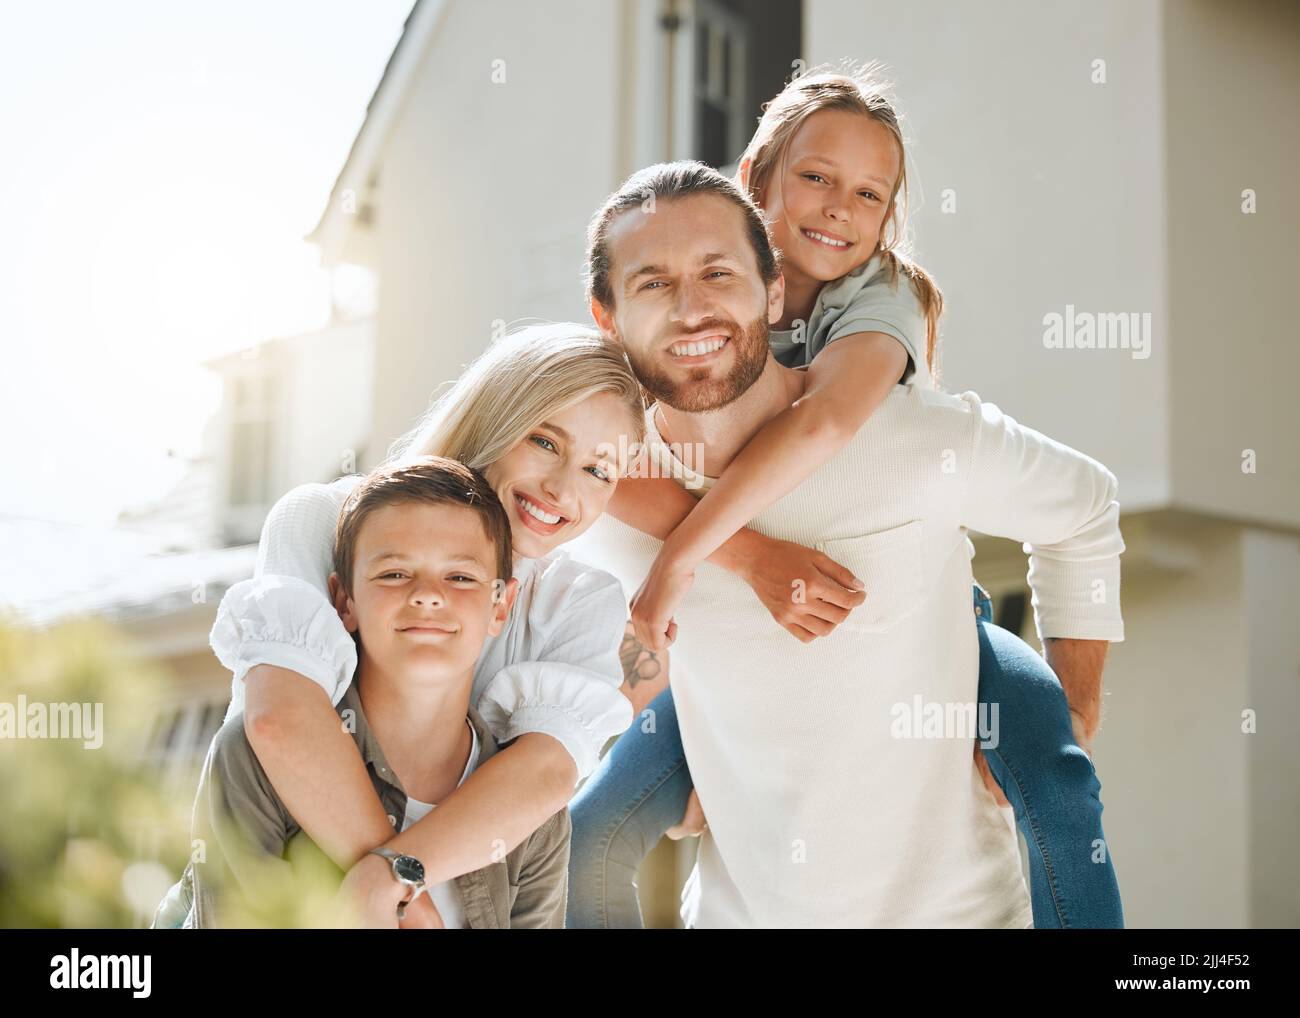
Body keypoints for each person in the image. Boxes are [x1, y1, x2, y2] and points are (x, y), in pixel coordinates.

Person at [566, 158, 1125, 928]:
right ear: (606, 314)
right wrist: (663, 730)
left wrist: (1077, 706)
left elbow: (1086, 509)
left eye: (718, 273)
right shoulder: (601, 496)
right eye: (653, 283)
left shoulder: (907, 438)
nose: (691, 310)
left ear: (771, 289)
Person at [153, 324, 645, 928]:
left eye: (600, 471)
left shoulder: (582, 599)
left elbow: (544, 776)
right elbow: (280, 718)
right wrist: (410, 909)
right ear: (495, 418)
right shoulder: (326, 519)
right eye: (545, 442)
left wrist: (393, 878)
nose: (563, 488)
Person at [160, 457, 570, 928]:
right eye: (394, 574)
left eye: (460, 577)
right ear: (344, 602)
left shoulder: (533, 817)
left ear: (501, 605)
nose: (428, 595)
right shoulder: (252, 761)